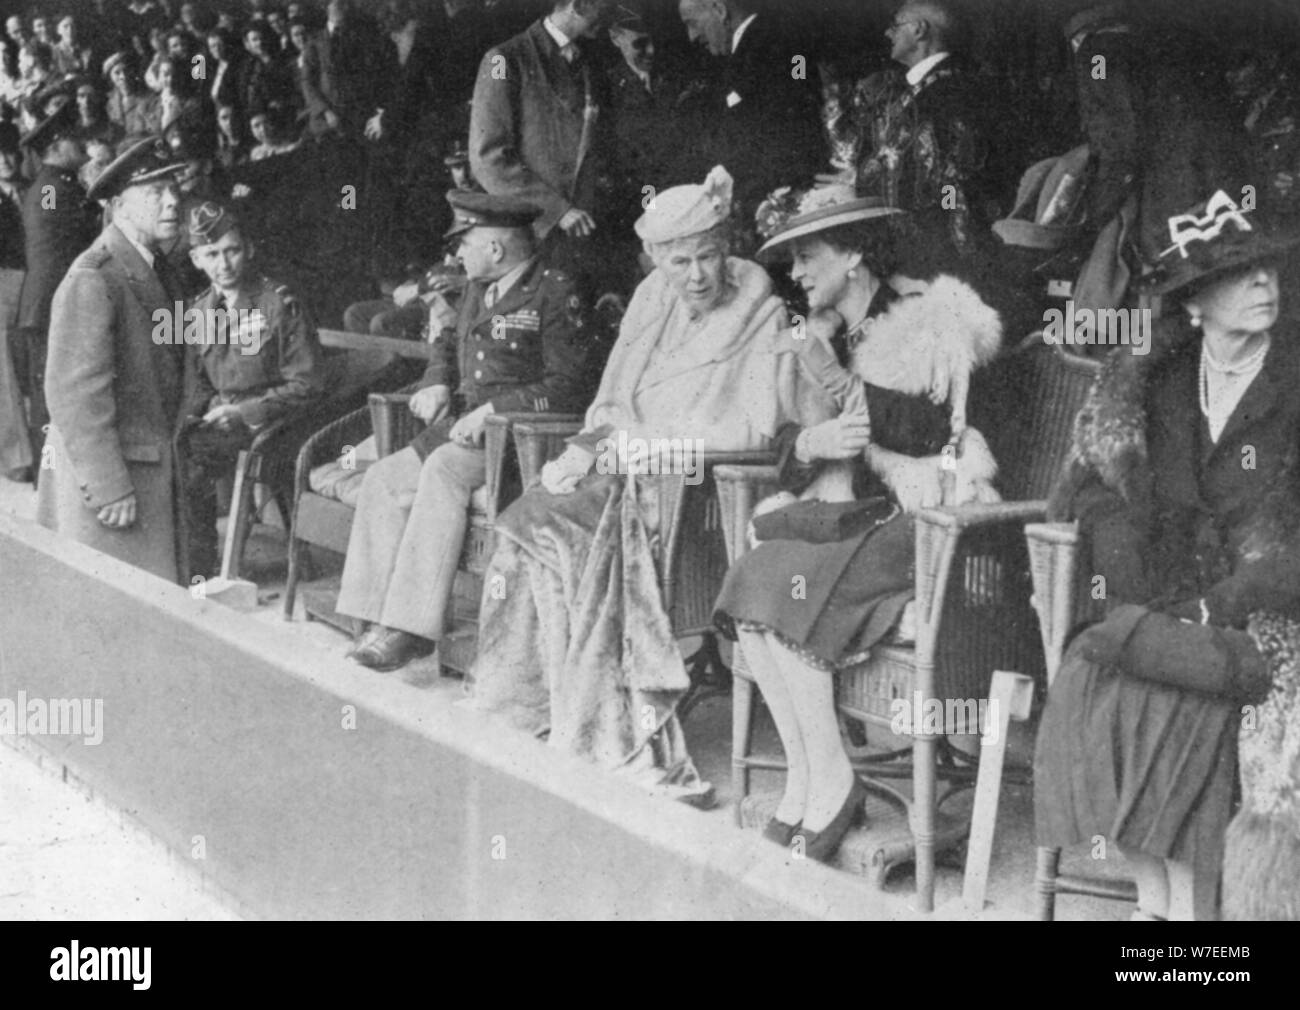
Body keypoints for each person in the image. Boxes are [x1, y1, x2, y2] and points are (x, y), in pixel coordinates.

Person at [466, 166, 828, 805]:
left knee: (562, 534)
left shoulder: (766, 315)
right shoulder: (652, 301)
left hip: (692, 491)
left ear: (726, 250)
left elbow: (754, 430)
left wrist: (653, 450)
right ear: (657, 262)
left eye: (708, 257)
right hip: (620, 468)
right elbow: (610, 402)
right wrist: (584, 449)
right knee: (522, 523)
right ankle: (545, 705)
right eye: (679, 262)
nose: (695, 276)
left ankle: (611, 727)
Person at [711, 184, 1002, 860]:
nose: (798, 273)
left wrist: (849, 398)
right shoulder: (831, 336)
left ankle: (835, 781)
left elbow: (933, 427)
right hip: (865, 516)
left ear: (855, 256)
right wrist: (814, 441)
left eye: (809, 256)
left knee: (786, 589)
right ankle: (813, 774)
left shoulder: (925, 320)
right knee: (757, 581)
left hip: (937, 518)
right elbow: (790, 440)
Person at [1036, 189, 1300, 921]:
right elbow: (1094, 495)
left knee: (1192, 700)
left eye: (1270, 271)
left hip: (1273, 614)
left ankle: (1188, 928)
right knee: (1096, 672)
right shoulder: (1158, 385)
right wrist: (1141, 597)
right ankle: (1155, 906)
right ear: (1193, 303)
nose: (1264, 285)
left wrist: (1222, 604)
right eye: (1238, 273)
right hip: (1171, 603)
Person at [339, 190, 593, 672]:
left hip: (519, 440)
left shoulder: (556, 292)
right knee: (382, 477)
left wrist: (496, 410)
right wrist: (436, 381)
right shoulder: (478, 286)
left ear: (495, 249)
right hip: (464, 426)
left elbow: (570, 386)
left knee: (442, 470)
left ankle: (410, 630)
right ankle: (370, 621)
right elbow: (449, 343)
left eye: (465, 243)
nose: (457, 255)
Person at [36, 137, 190, 583]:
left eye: (174, 188)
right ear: (119, 206)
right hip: (116, 482)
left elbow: (168, 347)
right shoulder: (93, 276)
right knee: (111, 621)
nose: (172, 201)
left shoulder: (159, 268)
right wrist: (107, 488)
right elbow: (73, 394)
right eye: (156, 192)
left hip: (148, 467)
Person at [179, 201, 326, 578]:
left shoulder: (278, 302)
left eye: (232, 251)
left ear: (249, 250)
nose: (223, 264)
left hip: (277, 422)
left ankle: (204, 568)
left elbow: (308, 385)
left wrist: (243, 413)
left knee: (193, 460)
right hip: (223, 417)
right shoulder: (196, 311)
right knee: (174, 444)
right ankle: (194, 561)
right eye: (211, 254)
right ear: (196, 258)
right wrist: (198, 413)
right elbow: (198, 381)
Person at [853, 0, 992, 272]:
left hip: (939, 257)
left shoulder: (944, 91)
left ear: (919, 30)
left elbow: (954, 182)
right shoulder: (937, 86)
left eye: (895, 26)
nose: (887, 34)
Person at [677, 0, 823, 225]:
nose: (691, 36)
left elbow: (793, 121)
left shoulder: (777, 44)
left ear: (719, 10)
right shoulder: (748, 51)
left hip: (787, 209)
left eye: (693, 23)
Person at [15, 101, 97, 448]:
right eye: (73, 138)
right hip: (52, 302)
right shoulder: (50, 188)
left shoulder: (57, 185)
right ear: (55, 146)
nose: (83, 144)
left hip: (50, 300)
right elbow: (52, 226)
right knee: (55, 393)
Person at [0, 123, 32, 483]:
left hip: (34, 283)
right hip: (3, 281)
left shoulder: (36, 192)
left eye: (10, 153)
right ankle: (16, 457)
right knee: (4, 370)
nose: (6, 160)